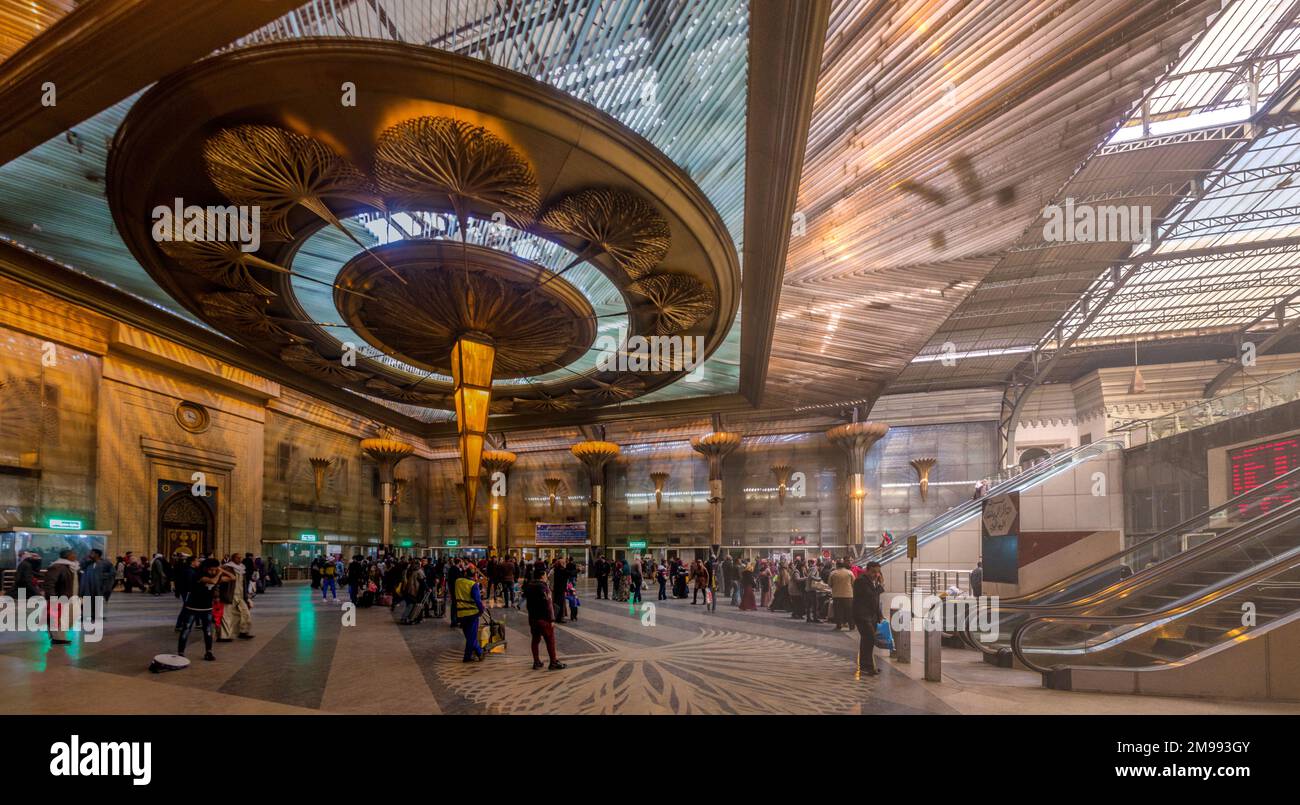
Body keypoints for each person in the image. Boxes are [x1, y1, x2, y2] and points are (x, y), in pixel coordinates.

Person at [178, 559, 236, 662]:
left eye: (214, 570)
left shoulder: (215, 575)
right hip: (193, 606)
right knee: (186, 629)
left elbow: (232, 577)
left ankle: (209, 652)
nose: (213, 572)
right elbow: (213, 581)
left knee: (208, 630)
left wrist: (220, 569)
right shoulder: (198, 575)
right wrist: (219, 573)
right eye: (211, 570)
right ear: (205, 569)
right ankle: (181, 652)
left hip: (206, 607)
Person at [522, 566, 565, 670]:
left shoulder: (529, 586)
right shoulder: (544, 587)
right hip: (544, 618)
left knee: (535, 640)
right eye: (546, 575)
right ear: (542, 576)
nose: (547, 577)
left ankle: (536, 662)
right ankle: (553, 662)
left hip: (533, 618)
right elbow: (549, 604)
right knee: (550, 640)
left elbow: (526, 602)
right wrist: (552, 619)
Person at [852, 561, 886, 676]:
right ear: (867, 570)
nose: (876, 574)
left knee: (867, 641)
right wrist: (880, 586)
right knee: (869, 639)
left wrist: (880, 615)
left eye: (878, 572)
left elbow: (875, 601)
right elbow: (869, 596)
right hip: (862, 615)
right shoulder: (860, 581)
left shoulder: (873, 583)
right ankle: (867, 666)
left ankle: (866, 665)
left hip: (872, 616)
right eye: (873, 572)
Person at [44, 549, 79, 645]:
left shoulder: (72, 567)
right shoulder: (57, 567)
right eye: (73, 554)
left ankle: (56, 635)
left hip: (71, 597)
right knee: (58, 618)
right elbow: (49, 584)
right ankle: (58, 638)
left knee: (68, 618)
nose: (75, 555)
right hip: (60, 598)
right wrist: (52, 598)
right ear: (67, 556)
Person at [217, 553, 255, 642]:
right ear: (233, 559)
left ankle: (243, 631)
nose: (240, 559)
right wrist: (217, 595)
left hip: (240, 595)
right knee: (227, 616)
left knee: (245, 613)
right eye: (238, 558)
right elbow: (218, 582)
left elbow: (244, 583)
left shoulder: (242, 569)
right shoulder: (227, 568)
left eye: (241, 558)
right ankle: (224, 636)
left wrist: (246, 596)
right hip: (229, 594)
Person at [454, 566, 485, 663]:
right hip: (472, 613)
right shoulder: (473, 585)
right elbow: (477, 600)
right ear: (474, 575)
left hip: (461, 613)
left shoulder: (458, 581)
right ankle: (478, 652)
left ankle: (469, 656)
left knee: (468, 635)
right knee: (471, 636)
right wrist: (481, 610)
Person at [829, 560, 855, 630]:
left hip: (836, 595)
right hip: (848, 595)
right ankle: (851, 626)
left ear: (837, 565)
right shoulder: (850, 572)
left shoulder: (833, 573)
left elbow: (830, 584)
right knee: (849, 612)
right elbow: (854, 583)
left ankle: (838, 626)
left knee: (838, 612)